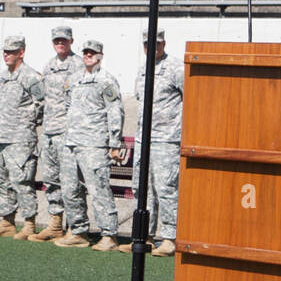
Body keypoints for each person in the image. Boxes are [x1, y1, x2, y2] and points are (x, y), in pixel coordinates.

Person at [54, 39, 124, 252]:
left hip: (94, 144)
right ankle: (78, 231)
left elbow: (115, 111)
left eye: (92, 53)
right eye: (85, 52)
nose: (87, 55)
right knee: (69, 188)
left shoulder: (106, 80)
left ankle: (109, 235)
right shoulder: (74, 79)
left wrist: (114, 143)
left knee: (99, 189)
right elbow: (67, 104)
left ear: (101, 55)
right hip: (72, 142)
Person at [123, 28, 184, 257]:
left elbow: (190, 99)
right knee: (142, 188)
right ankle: (143, 235)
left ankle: (170, 237)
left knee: (166, 188)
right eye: (148, 44)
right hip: (143, 139)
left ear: (164, 44)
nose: (152, 48)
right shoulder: (142, 70)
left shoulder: (176, 68)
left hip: (167, 140)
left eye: (156, 44)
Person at [0, 35, 45, 239]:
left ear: (22, 52)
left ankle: (29, 223)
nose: (6, 55)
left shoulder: (31, 76)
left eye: (11, 51)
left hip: (21, 138)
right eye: (5, 51)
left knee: (22, 181)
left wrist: (28, 122)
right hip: (1, 137)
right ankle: (7, 221)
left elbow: (43, 103)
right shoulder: (2, 77)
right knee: (0, 180)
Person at [30, 25, 86, 242]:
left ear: (71, 41)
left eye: (63, 40)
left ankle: (76, 227)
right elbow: (43, 98)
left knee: (72, 182)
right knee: (52, 180)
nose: (60, 43)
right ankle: (55, 224)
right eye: (56, 41)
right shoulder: (49, 65)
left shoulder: (79, 65)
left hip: (69, 132)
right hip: (50, 131)